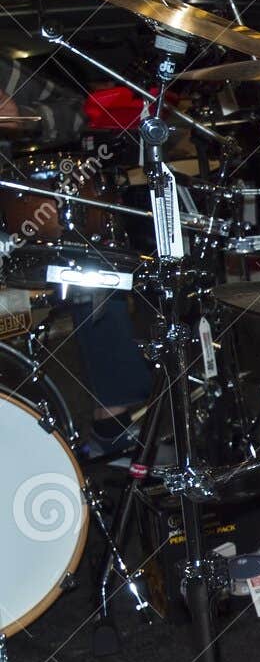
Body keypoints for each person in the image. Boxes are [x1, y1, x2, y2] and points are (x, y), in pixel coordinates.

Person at [0, 62, 150, 459]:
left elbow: (75, 111)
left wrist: (25, 118)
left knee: (93, 270)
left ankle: (112, 420)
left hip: (15, 229)